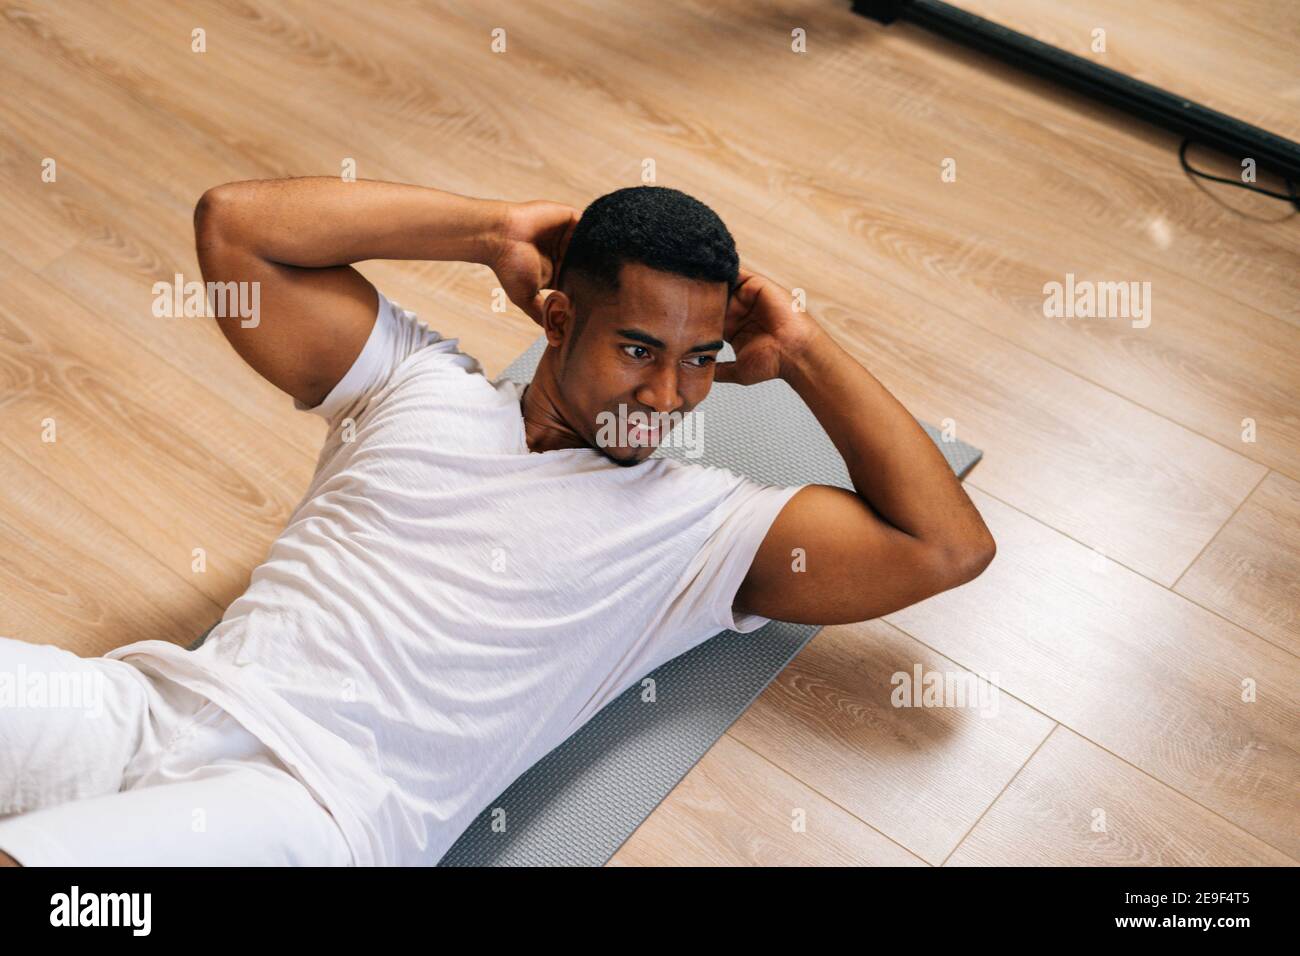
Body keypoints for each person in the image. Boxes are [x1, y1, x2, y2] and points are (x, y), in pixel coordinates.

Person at [0, 180, 994, 866]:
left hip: (313, 815)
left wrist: (806, 348)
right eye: (639, 347)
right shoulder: (412, 381)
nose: (668, 392)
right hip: (143, 705)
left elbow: (944, 545)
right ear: (557, 320)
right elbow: (234, 229)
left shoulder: (697, 531)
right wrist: (489, 230)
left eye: (698, 359)